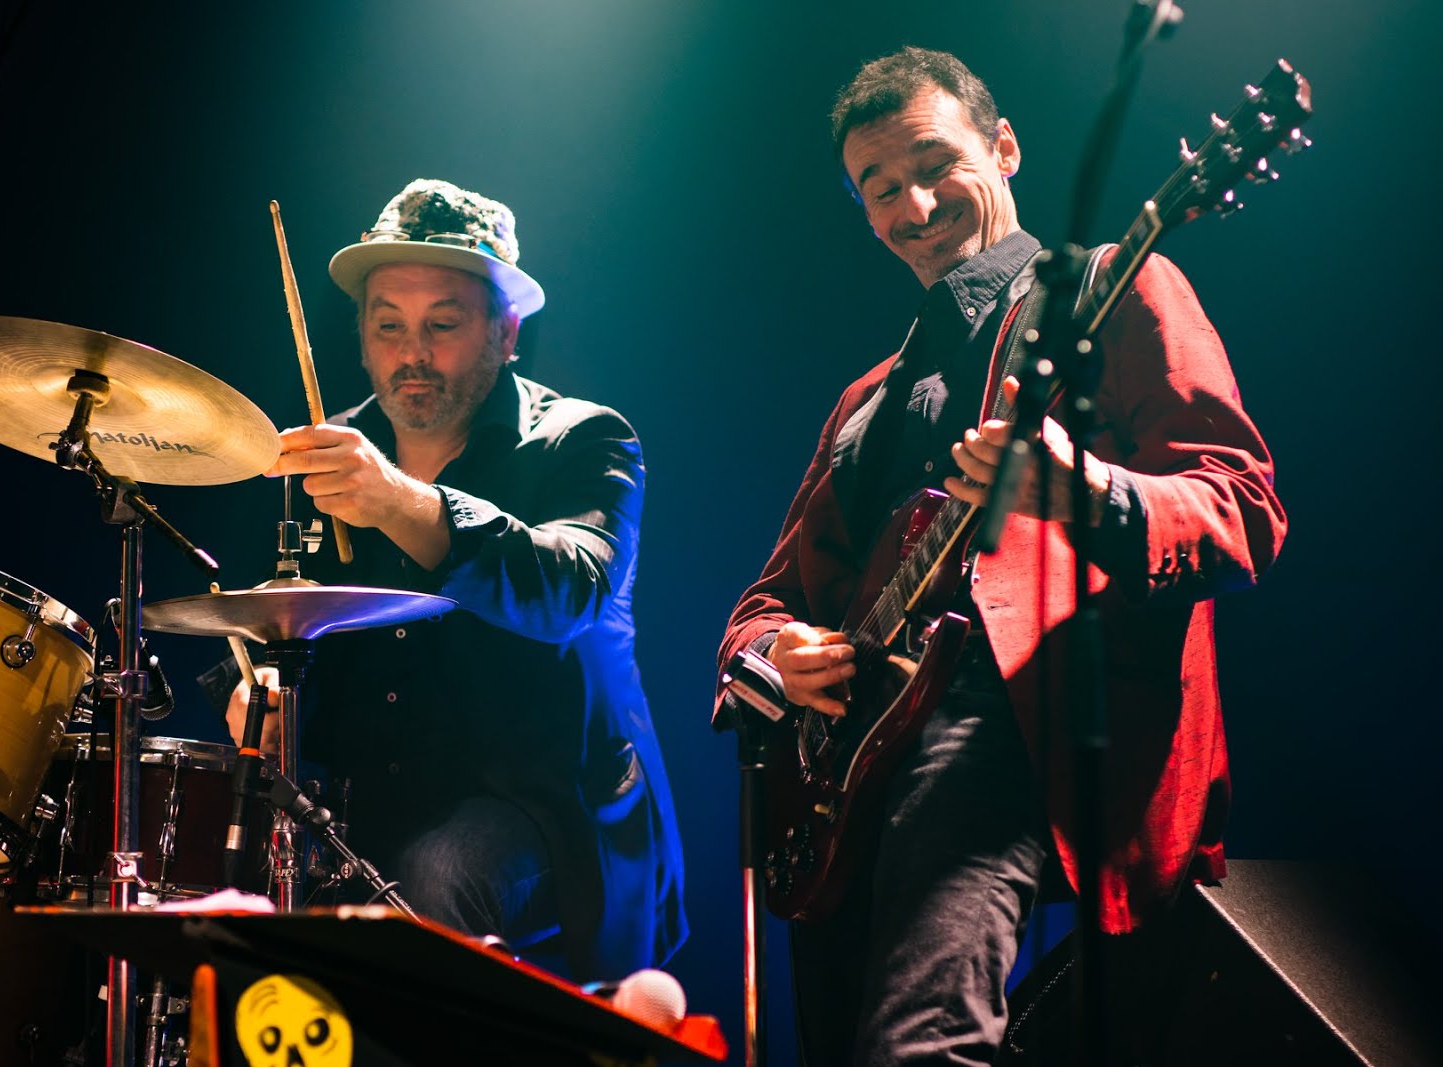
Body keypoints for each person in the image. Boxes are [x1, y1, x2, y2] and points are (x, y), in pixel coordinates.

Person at [714, 47, 1287, 1064]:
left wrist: (1090, 492)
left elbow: (1242, 507)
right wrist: (772, 655)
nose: (913, 204)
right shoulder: (865, 400)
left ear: (1005, 147)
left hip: (1015, 716)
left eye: (935, 163)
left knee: (918, 1045)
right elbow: (767, 601)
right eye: (880, 187)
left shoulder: (1117, 287)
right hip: (847, 772)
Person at [216, 178, 686, 981]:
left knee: (435, 875)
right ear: (361, 338)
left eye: (443, 324)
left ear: (507, 332)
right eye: (388, 325)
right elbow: (283, 619)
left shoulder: (587, 440)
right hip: (365, 801)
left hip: (547, 805)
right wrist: (260, 681)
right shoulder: (330, 453)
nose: (412, 354)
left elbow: (570, 589)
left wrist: (400, 502)